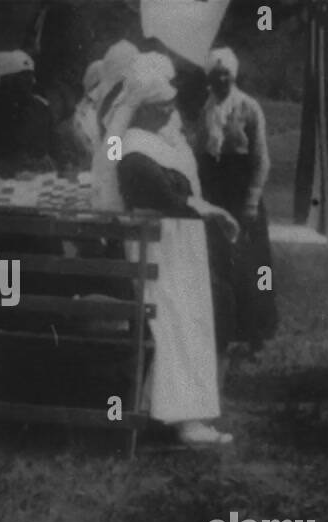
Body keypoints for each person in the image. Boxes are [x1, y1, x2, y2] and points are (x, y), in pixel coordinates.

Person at [111, 63, 241, 445]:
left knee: (187, 322)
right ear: (146, 109)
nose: (171, 112)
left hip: (174, 246)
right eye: (164, 106)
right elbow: (167, 198)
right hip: (158, 249)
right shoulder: (133, 149)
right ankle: (184, 419)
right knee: (178, 325)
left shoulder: (152, 139)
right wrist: (208, 209)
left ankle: (165, 406)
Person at [198, 47, 278, 352]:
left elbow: (262, 160)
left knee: (253, 266)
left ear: (233, 75)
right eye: (215, 75)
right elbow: (199, 151)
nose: (220, 80)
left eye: (225, 74)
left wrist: (251, 202)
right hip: (217, 193)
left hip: (242, 192)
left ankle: (257, 333)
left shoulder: (249, 107)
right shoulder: (206, 109)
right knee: (222, 263)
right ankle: (226, 331)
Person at [0, 50, 56, 177]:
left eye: (31, 76)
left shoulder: (41, 108)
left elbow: (55, 146)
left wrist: (56, 160)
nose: (33, 81)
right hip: (1, 183)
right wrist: (1, 166)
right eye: (25, 77)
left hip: (39, 180)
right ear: (9, 81)